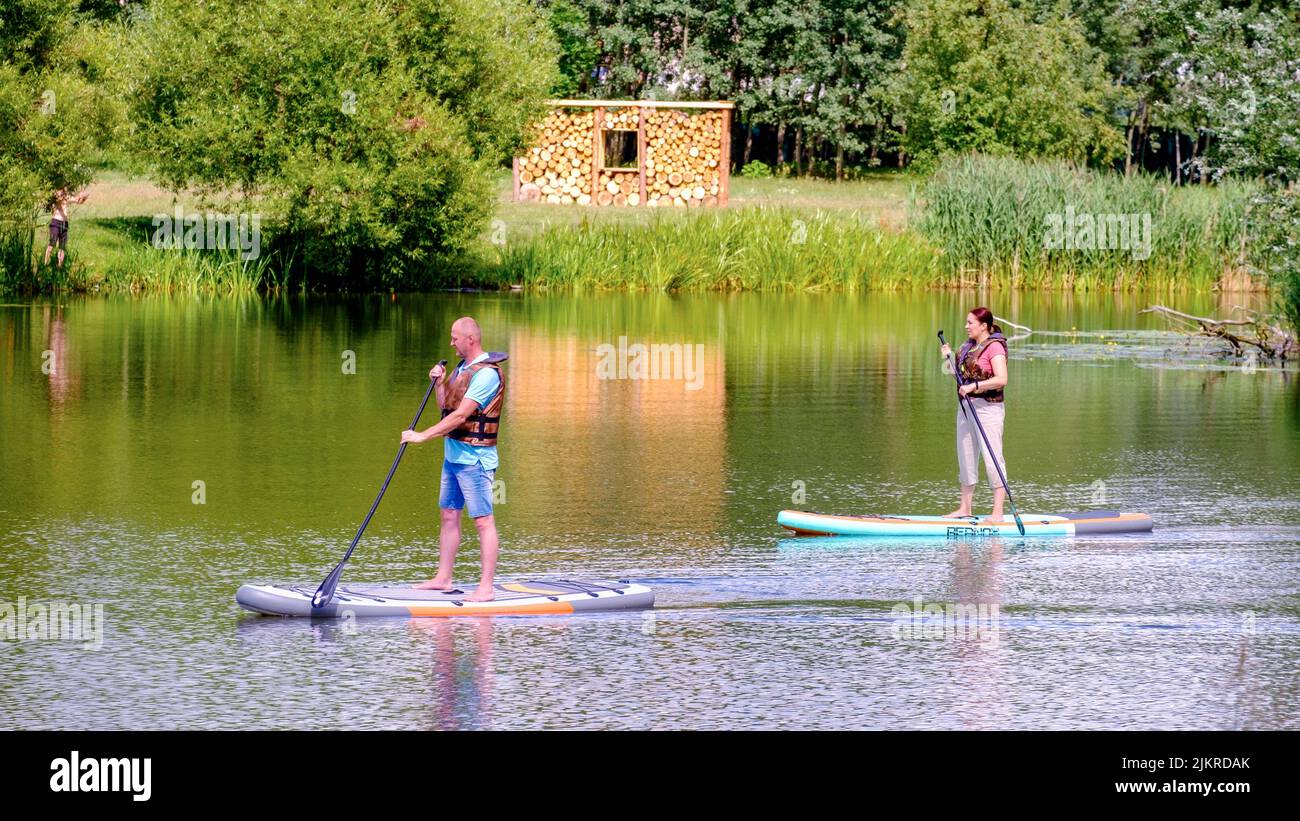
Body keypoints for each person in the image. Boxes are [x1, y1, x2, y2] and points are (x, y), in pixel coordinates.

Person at [400, 317, 505, 602]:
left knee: (483, 521)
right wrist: (439, 384)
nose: (451, 343)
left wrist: (421, 436)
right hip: (454, 458)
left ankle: (486, 588)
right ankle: (443, 578)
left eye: (455, 338)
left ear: (470, 339)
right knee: (448, 515)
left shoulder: (487, 375)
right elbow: (447, 408)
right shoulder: (462, 368)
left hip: (476, 460)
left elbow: (462, 416)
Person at [940, 307, 1010, 522]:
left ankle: (997, 513)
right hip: (966, 409)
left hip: (988, 409)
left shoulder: (995, 347)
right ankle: (965, 509)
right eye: (967, 322)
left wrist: (975, 387)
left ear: (984, 326)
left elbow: (1002, 379)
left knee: (992, 458)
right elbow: (958, 377)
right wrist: (948, 358)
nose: (966, 326)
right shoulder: (967, 347)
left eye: (970, 323)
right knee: (966, 457)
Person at [44, 187, 88, 268]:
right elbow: (57, 199)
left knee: (62, 247)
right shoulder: (57, 195)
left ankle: (59, 266)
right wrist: (63, 196)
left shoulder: (67, 197)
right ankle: (45, 264)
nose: (67, 188)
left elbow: (78, 201)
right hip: (56, 222)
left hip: (64, 223)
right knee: (52, 244)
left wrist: (83, 197)